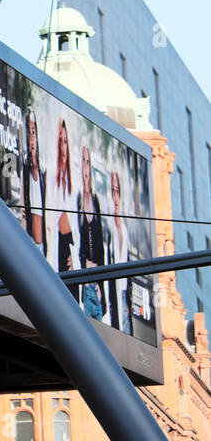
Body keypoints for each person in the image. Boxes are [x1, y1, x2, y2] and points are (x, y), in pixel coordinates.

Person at [44, 118, 77, 301]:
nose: (63, 147)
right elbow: (50, 223)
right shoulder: (52, 179)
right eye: (60, 142)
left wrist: (76, 259)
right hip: (56, 254)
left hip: (70, 261)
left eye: (65, 142)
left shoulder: (72, 184)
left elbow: (76, 232)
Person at [76, 142, 107, 324]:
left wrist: (101, 281)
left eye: (88, 161)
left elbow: (101, 244)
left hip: (97, 281)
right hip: (84, 280)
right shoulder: (77, 198)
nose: (86, 166)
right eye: (83, 161)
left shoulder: (95, 201)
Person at [106, 169, 129, 334]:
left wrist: (128, 301)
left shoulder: (125, 228)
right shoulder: (106, 225)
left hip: (123, 296)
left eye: (117, 191)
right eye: (112, 191)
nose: (115, 197)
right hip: (109, 295)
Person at [22, 109, 46, 256]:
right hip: (29, 243)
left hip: (44, 246)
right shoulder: (24, 166)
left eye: (33, 131)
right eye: (29, 132)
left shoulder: (44, 169)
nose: (32, 137)